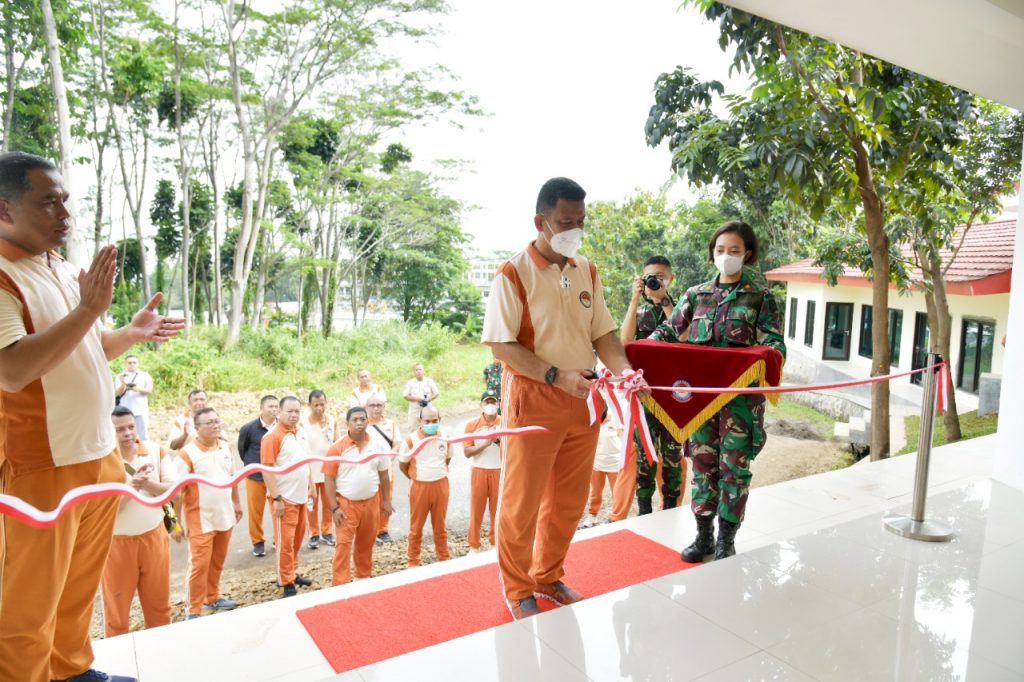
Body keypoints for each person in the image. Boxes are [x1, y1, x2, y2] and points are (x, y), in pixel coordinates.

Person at [0, 151, 183, 682]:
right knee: (27, 604)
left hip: (99, 453)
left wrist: (128, 333)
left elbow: (78, 351)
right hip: (42, 465)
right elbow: (13, 370)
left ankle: (70, 670)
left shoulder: (54, 266)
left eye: (66, 200)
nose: (65, 213)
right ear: (5, 209)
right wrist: (86, 309)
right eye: (48, 202)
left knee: (78, 585)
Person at [481, 176, 648, 619]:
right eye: (565, 221)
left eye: (580, 221)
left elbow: (604, 334)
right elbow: (501, 345)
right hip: (535, 398)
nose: (574, 228)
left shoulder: (586, 268)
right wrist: (554, 376)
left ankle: (547, 575)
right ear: (541, 221)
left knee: (569, 501)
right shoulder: (513, 273)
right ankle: (517, 590)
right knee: (522, 502)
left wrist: (626, 372)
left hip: (584, 400)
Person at [648, 221, 786, 562]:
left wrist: (764, 353)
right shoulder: (695, 295)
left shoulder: (761, 297)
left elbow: (774, 343)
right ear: (712, 253)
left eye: (734, 251)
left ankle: (727, 539)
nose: (726, 256)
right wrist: (643, 350)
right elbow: (669, 330)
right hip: (701, 402)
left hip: (741, 403)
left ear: (747, 255)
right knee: (703, 465)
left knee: (734, 470)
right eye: (721, 250)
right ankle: (704, 537)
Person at [101, 406, 180, 637]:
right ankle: (117, 661)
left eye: (130, 427)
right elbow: (106, 511)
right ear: (108, 432)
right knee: (116, 609)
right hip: (116, 543)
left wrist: (147, 484)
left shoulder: (156, 451)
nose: (127, 433)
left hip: (153, 536)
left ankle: (160, 649)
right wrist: (133, 485)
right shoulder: (102, 462)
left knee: (159, 603)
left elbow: (174, 492)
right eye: (119, 429)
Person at [620, 255, 688, 515]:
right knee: (644, 453)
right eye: (651, 276)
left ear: (671, 278)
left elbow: (684, 336)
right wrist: (635, 297)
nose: (655, 281)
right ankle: (644, 510)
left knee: (673, 454)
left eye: (661, 276)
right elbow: (625, 341)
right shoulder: (638, 309)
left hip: (675, 394)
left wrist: (664, 299)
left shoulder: (683, 304)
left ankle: (670, 506)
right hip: (644, 392)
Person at [177, 407, 242, 619]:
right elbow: (175, 492)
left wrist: (236, 502)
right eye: (209, 423)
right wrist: (175, 524)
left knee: (217, 561)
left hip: (225, 515)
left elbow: (231, 477)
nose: (215, 425)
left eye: (217, 421)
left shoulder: (224, 447)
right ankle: (192, 609)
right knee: (198, 565)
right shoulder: (187, 454)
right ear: (197, 428)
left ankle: (212, 597)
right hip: (201, 519)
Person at [323, 406, 393, 584]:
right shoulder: (336, 449)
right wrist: (334, 508)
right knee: (343, 545)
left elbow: (384, 475)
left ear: (367, 421)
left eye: (363, 419)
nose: (359, 423)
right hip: (346, 505)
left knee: (366, 542)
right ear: (347, 423)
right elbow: (329, 480)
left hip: (371, 503)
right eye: (355, 420)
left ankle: (363, 578)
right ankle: (340, 584)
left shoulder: (377, 445)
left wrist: (386, 500)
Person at [261, 396, 315, 597]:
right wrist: (277, 499)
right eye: (289, 412)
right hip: (284, 499)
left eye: (297, 411)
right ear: (280, 413)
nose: (293, 415)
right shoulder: (272, 437)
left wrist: (311, 486)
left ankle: (292, 572)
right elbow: (266, 469)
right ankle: (286, 581)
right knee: (285, 542)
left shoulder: (300, 432)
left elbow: (306, 460)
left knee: (298, 538)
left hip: (301, 496)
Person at [399, 405, 460, 568]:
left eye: (434, 421)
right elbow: (402, 465)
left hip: (441, 485)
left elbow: (447, 459)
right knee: (416, 527)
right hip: (419, 487)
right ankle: (413, 561)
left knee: (440, 525)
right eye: (427, 421)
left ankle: (443, 557)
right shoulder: (411, 440)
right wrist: (416, 477)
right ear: (420, 421)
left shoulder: (445, 437)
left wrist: (436, 473)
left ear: (439, 420)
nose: (431, 424)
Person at [237, 395, 279, 557]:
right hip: (255, 476)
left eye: (276, 406)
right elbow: (242, 450)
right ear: (261, 408)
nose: (274, 409)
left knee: (278, 508)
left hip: (275, 476)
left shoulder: (281, 428)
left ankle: (278, 538)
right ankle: (258, 541)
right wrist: (251, 465)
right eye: (270, 406)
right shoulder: (249, 428)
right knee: (255, 511)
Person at [462, 390, 502, 552]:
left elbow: (514, 449)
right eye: (487, 402)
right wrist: (486, 442)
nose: (490, 406)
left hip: (499, 470)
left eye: (493, 402)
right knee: (476, 509)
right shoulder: (472, 425)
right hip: (479, 470)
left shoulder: (505, 423)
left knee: (497, 509)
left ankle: (495, 542)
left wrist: (498, 441)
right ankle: (474, 545)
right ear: (481, 405)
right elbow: (467, 452)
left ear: (499, 405)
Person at [301, 389, 337, 550]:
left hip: (328, 471)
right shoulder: (302, 422)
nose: (319, 408)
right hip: (310, 472)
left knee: (330, 503)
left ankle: (327, 531)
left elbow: (336, 444)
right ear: (309, 405)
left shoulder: (332, 421)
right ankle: (313, 534)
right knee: (311, 504)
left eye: (322, 404)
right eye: (315, 405)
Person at [365, 391, 401, 544]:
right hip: (369, 470)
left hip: (387, 469)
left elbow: (397, 444)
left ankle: (383, 529)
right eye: (372, 405)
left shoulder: (390, 424)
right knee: (369, 501)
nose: (375, 409)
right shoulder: (362, 424)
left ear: (384, 407)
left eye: (379, 405)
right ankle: (370, 531)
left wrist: (389, 458)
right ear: (366, 407)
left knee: (386, 499)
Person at [582, 411, 621, 528]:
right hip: (597, 463)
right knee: (595, 492)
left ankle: (617, 516)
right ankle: (592, 516)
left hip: (615, 463)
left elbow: (624, 438)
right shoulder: (591, 422)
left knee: (618, 492)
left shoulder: (615, 420)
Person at [115, 354, 154, 440]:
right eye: (129, 363)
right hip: (125, 410)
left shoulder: (144, 375)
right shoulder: (120, 376)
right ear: (125, 363)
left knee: (143, 435)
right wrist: (123, 383)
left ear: (138, 363)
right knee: (126, 434)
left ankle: (143, 452)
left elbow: (149, 390)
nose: (132, 364)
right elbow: (118, 392)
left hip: (141, 409)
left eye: (134, 362)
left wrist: (137, 388)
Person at [402, 363, 439, 430]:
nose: (418, 371)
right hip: (414, 411)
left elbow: (436, 393)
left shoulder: (429, 381)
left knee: (428, 430)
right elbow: (405, 395)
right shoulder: (410, 383)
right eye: (416, 370)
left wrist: (429, 399)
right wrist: (417, 399)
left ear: (423, 371)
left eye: (420, 369)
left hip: (427, 411)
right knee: (414, 430)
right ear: (414, 372)